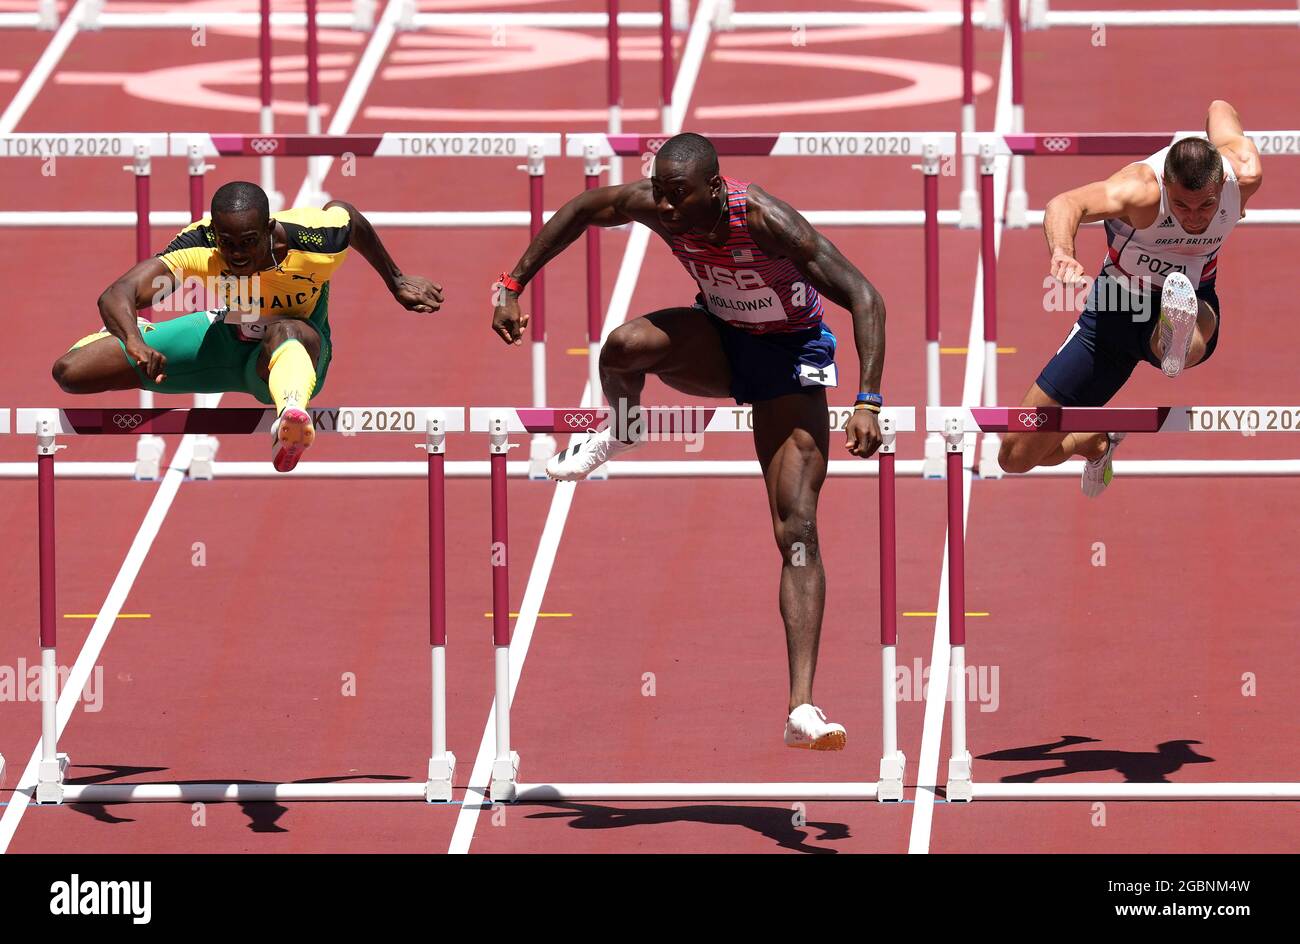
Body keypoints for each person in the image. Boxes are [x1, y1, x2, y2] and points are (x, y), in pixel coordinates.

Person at [491, 133, 887, 751]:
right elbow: (580, 210)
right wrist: (511, 285)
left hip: (789, 359)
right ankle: (623, 429)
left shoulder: (766, 221)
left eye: (679, 197)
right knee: (622, 348)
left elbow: (866, 296)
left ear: (713, 187)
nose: (666, 209)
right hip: (721, 341)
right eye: (660, 194)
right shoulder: (656, 202)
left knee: (797, 531)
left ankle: (801, 709)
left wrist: (868, 399)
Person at [52, 181, 442, 471]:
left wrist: (396, 280)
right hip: (226, 338)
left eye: (248, 242)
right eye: (228, 243)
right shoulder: (198, 243)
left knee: (287, 330)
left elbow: (347, 215)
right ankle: (138, 335)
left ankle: (290, 419)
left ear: (270, 229)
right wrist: (134, 340)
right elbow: (117, 292)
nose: (237, 254)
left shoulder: (316, 242)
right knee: (72, 373)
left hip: (291, 356)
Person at [1000, 101, 1263, 495]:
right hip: (1115, 308)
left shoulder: (1243, 172)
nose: (1193, 218)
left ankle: (1174, 336)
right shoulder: (1140, 190)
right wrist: (1063, 252)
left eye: (1206, 205)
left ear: (1221, 186)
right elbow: (1065, 204)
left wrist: (1216, 128)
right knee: (1016, 455)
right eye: (1181, 206)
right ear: (1165, 189)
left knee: (1184, 339)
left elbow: (1219, 107)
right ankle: (1094, 441)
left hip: (1193, 297)